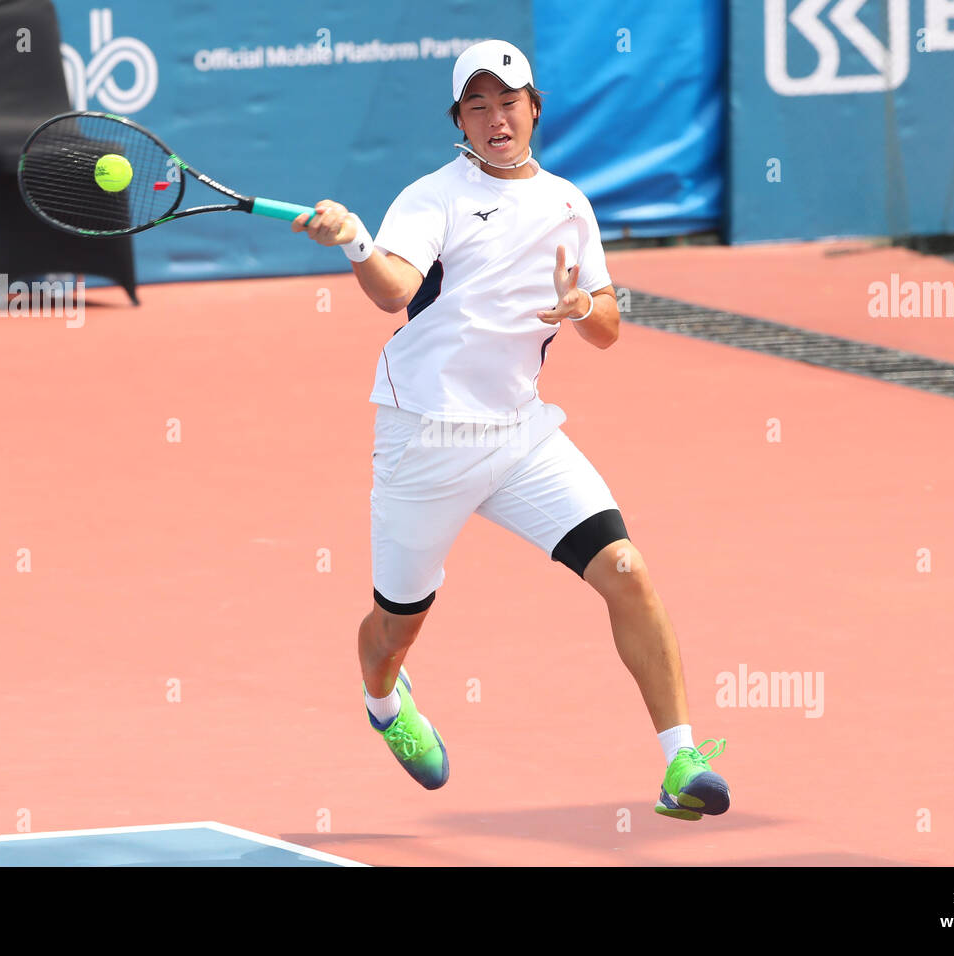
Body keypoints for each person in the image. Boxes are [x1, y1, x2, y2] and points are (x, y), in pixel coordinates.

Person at [292, 39, 729, 821]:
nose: (498, 117)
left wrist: (579, 309)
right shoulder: (434, 197)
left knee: (625, 568)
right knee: (395, 631)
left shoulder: (569, 203)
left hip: (521, 436)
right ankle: (385, 703)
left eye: (510, 100)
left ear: (535, 108)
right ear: (459, 119)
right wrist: (355, 239)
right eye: (479, 105)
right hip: (424, 439)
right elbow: (395, 287)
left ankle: (679, 762)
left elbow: (609, 328)